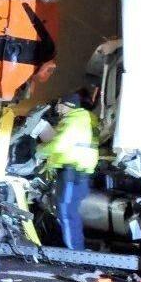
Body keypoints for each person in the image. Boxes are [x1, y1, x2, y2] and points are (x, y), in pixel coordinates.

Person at [36, 92, 99, 250]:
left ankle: (75, 251)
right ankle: (72, 246)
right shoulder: (81, 120)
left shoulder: (74, 121)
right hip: (77, 171)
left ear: (68, 105)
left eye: (60, 104)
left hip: (73, 172)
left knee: (66, 210)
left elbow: (59, 145)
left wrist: (38, 151)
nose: (57, 107)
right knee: (67, 210)